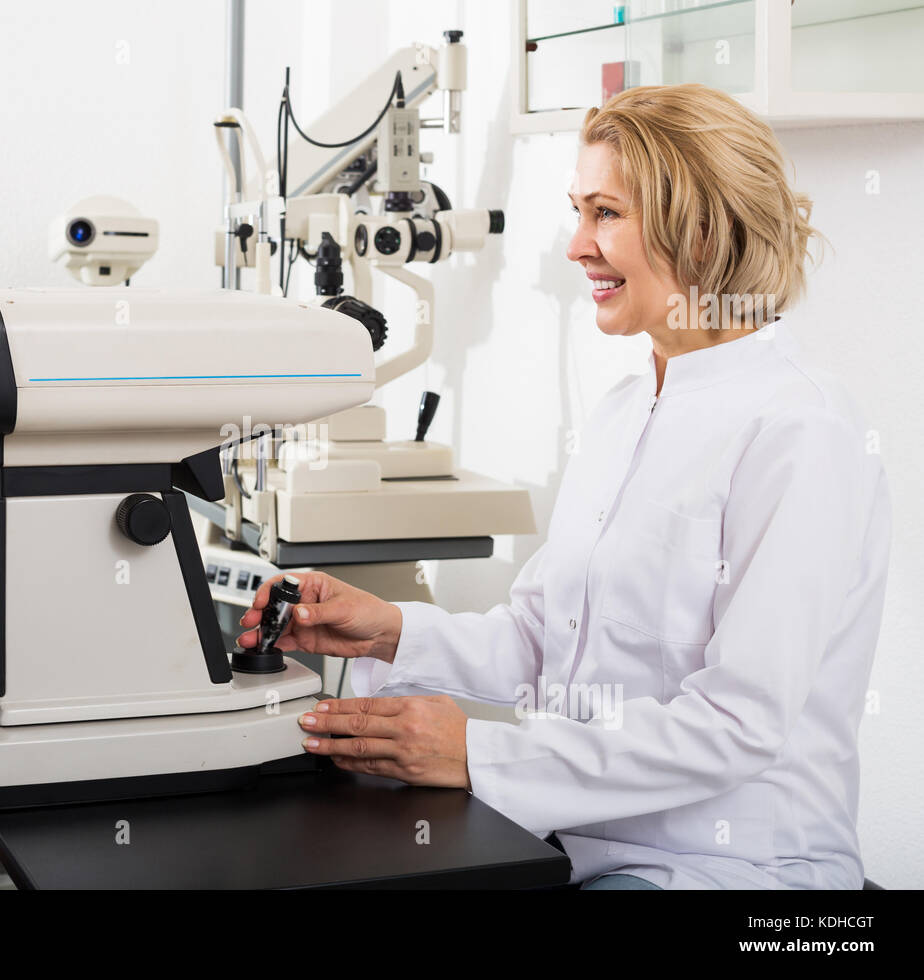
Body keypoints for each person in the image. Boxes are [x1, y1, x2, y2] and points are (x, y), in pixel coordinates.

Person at [237, 84, 891, 890]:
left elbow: (736, 724)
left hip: (727, 869)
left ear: (705, 226)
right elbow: (546, 643)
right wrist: (389, 633)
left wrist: (477, 750)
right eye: (578, 212)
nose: (576, 246)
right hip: (568, 844)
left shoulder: (800, 431)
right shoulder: (626, 411)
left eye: (606, 214)